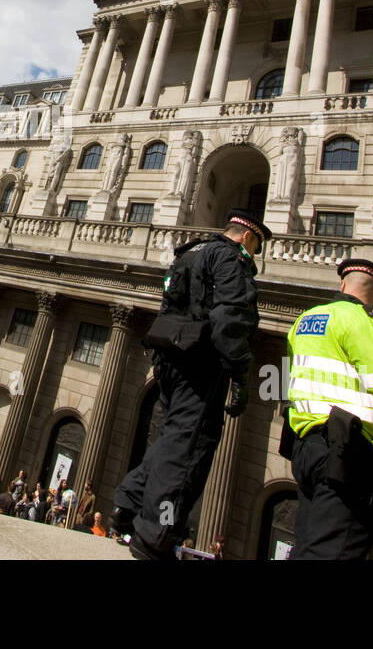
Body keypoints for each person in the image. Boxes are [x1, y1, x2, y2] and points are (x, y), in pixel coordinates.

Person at [113, 209, 266, 560]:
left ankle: (128, 503)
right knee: (191, 445)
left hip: (170, 355)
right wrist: (241, 376)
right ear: (246, 236)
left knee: (173, 435)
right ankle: (156, 534)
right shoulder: (230, 258)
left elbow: (169, 303)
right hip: (202, 361)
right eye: (256, 246)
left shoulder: (189, 253)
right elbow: (231, 319)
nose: (255, 254)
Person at [284, 259, 373, 560]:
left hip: (305, 448)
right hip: (347, 453)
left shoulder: (305, 319)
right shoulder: (365, 324)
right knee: (337, 548)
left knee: (309, 544)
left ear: (342, 284)